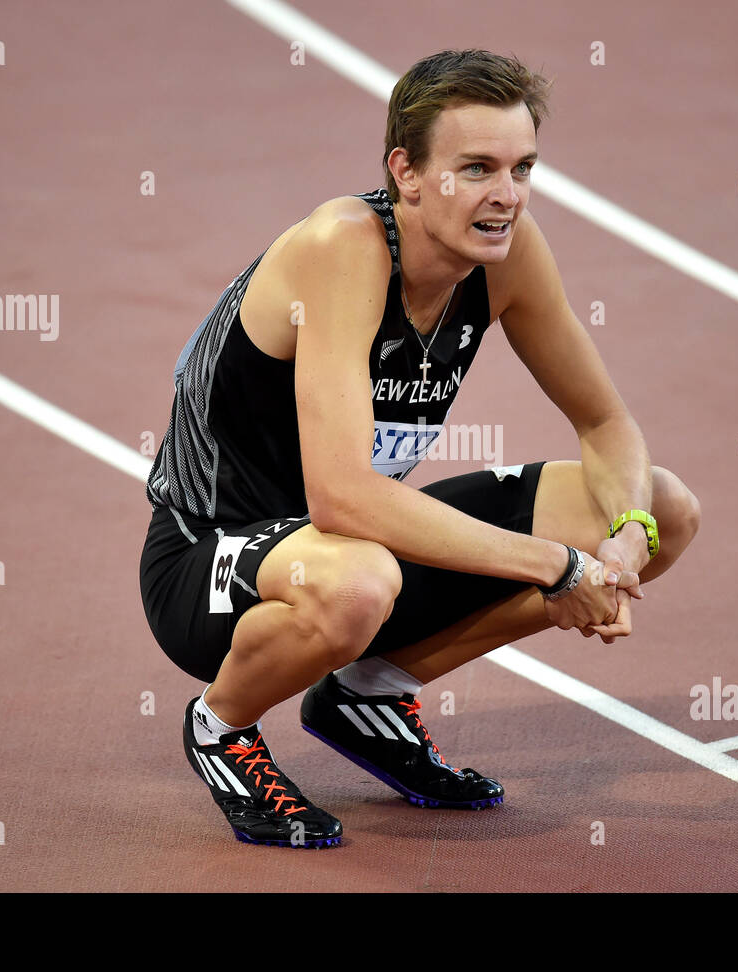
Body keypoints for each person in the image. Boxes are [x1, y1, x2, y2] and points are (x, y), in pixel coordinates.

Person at [139, 49, 700, 848]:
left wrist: (626, 538)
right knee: (360, 580)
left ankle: (368, 694)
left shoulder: (508, 254)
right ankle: (222, 727)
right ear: (406, 171)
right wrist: (556, 567)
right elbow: (343, 496)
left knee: (668, 506)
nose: (505, 196)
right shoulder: (343, 245)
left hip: (356, 547)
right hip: (210, 560)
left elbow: (607, 428)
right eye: (476, 169)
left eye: (522, 168)